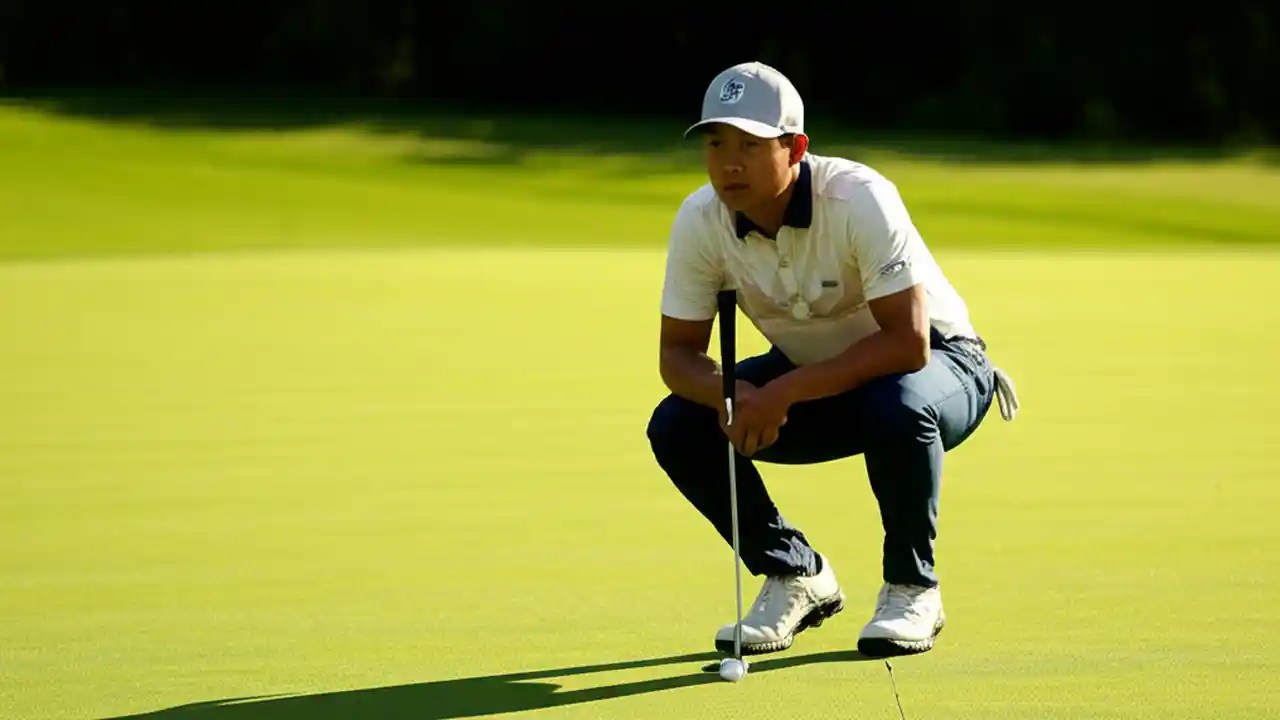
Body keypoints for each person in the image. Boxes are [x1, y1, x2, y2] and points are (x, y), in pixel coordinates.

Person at [646, 61, 1019, 659]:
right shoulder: (700, 219)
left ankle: (911, 587)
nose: (729, 162)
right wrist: (733, 396)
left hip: (943, 368)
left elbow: (907, 344)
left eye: (750, 144)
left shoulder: (858, 198)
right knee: (677, 422)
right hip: (816, 377)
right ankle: (795, 574)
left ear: (795, 148)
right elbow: (678, 355)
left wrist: (783, 393)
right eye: (716, 144)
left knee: (896, 402)